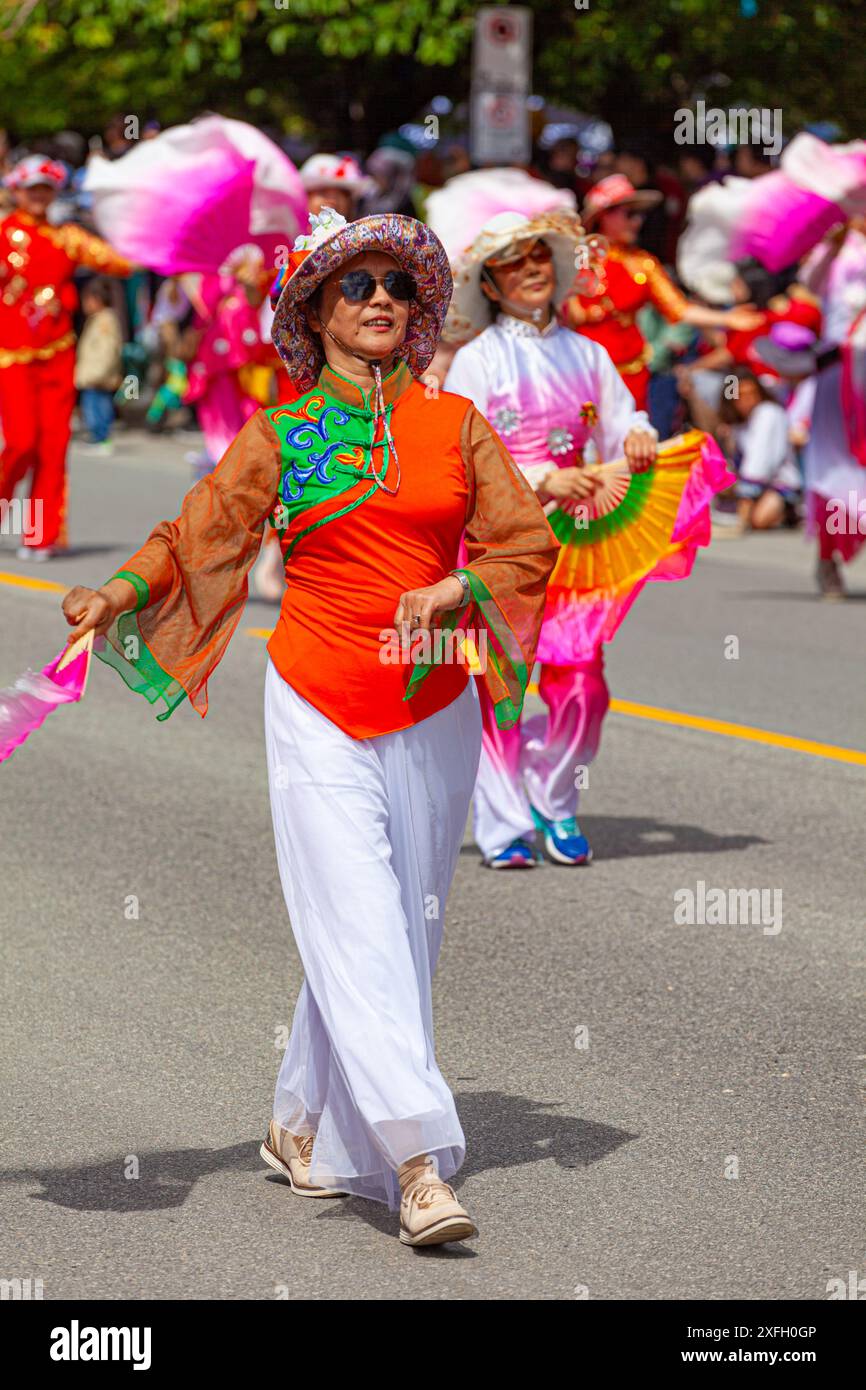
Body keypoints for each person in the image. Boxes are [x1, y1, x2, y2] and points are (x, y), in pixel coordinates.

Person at [59, 206, 558, 1247]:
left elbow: (524, 545)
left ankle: (297, 1124)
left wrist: (458, 585)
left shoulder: (453, 424)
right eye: (354, 287)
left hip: (430, 701)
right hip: (318, 698)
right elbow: (198, 532)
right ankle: (415, 1162)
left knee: (393, 928)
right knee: (359, 917)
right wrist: (114, 591)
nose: (380, 300)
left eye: (395, 287)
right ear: (314, 315)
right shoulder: (282, 433)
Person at [443, 209, 731, 868]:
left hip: (579, 545)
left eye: (538, 257)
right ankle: (504, 826)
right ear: (490, 286)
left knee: (582, 685)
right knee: (503, 687)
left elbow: (621, 418)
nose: (530, 272)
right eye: (513, 264)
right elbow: (467, 457)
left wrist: (635, 433)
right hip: (501, 546)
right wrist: (545, 477)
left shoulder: (589, 353)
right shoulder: (475, 363)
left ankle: (555, 798)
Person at [0, 155, 130, 559]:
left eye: (47, 188)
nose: (39, 195)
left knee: (53, 445)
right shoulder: (2, 233)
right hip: (12, 357)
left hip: (57, 354)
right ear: (16, 190)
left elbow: (120, 263)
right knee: (22, 442)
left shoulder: (68, 237)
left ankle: (39, 535)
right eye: (31, 187)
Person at [562, 175, 761, 413]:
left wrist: (725, 319)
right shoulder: (577, 259)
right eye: (629, 215)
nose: (636, 222)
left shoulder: (643, 263)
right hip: (584, 373)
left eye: (639, 216)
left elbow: (678, 308)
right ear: (605, 215)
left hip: (631, 373)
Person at [717, 369, 802, 533]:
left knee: (759, 520)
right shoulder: (737, 424)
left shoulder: (768, 413)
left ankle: (791, 512)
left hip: (779, 484)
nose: (747, 400)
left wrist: (744, 513)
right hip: (751, 484)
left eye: (752, 393)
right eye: (741, 395)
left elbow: (759, 461)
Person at [74, 277, 123, 454]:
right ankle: (96, 436)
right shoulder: (96, 319)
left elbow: (107, 349)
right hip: (92, 373)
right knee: (91, 405)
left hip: (98, 374)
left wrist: (99, 372)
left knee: (98, 407)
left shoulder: (105, 320)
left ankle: (101, 437)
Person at [297, 152, 369, 221]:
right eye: (322, 192)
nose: (332, 200)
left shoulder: (358, 233)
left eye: (340, 194)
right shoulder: (290, 232)